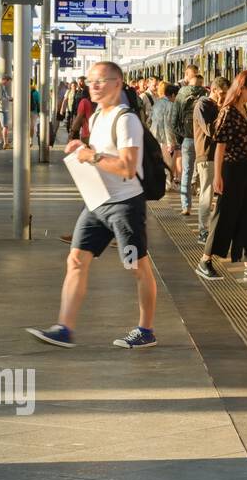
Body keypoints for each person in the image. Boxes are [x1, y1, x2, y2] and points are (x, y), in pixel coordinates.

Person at [26, 61, 158, 350]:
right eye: (90, 81)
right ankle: (64, 328)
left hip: (125, 207)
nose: (93, 86)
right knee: (75, 260)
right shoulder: (98, 115)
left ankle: (146, 330)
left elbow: (127, 166)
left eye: (100, 80)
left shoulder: (126, 120)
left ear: (117, 84)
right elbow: (100, 152)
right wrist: (82, 148)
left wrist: (93, 157)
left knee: (136, 266)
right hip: (97, 203)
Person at [195, 71, 247, 282]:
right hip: (232, 170)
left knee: (245, 216)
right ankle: (205, 260)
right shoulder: (228, 111)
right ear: (242, 88)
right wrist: (217, 176)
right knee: (224, 215)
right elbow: (220, 146)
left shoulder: (243, 109)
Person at [193, 76, 227, 243]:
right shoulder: (203, 105)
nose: (225, 96)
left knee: (219, 193)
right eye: (223, 93)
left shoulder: (218, 105)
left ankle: (215, 228)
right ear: (214, 90)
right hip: (207, 154)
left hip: (220, 155)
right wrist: (221, 108)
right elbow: (210, 130)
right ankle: (203, 230)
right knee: (207, 193)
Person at [174, 73, 205, 217]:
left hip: (188, 139)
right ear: (201, 82)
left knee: (186, 172)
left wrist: (181, 139)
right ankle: (205, 203)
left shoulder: (181, 94)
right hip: (203, 140)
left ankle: (186, 206)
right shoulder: (206, 95)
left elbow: (175, 120)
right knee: (204, 173)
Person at [0, 75, 13, 150]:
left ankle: (6, 143)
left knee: (5, 126)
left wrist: (9, 98)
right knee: (5, 127)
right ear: (4, 80)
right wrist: (8, 99)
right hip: (1, 109)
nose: (8, 84)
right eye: (8, 82)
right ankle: (5, 143)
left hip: (4, 109)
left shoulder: (2, 87)